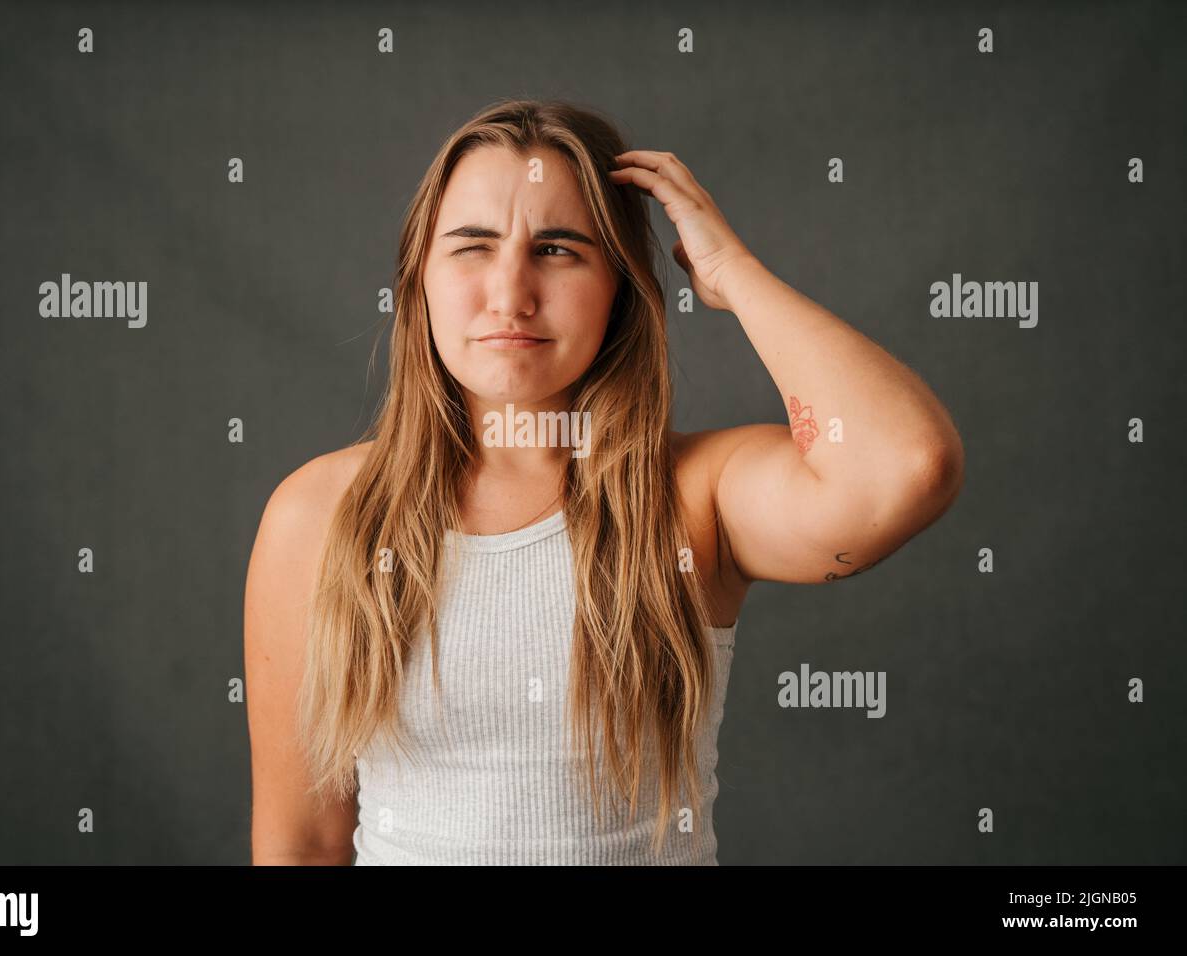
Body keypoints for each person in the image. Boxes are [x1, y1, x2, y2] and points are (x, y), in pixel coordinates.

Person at [244, 98, 965, 865]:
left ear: (620, 288)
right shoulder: (321, 516)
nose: (511, 293)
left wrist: (732, 274)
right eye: (472, 246)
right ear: (418, 279)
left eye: (557, 249)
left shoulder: (695, 498)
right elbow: (302, 845)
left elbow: (908, 466)